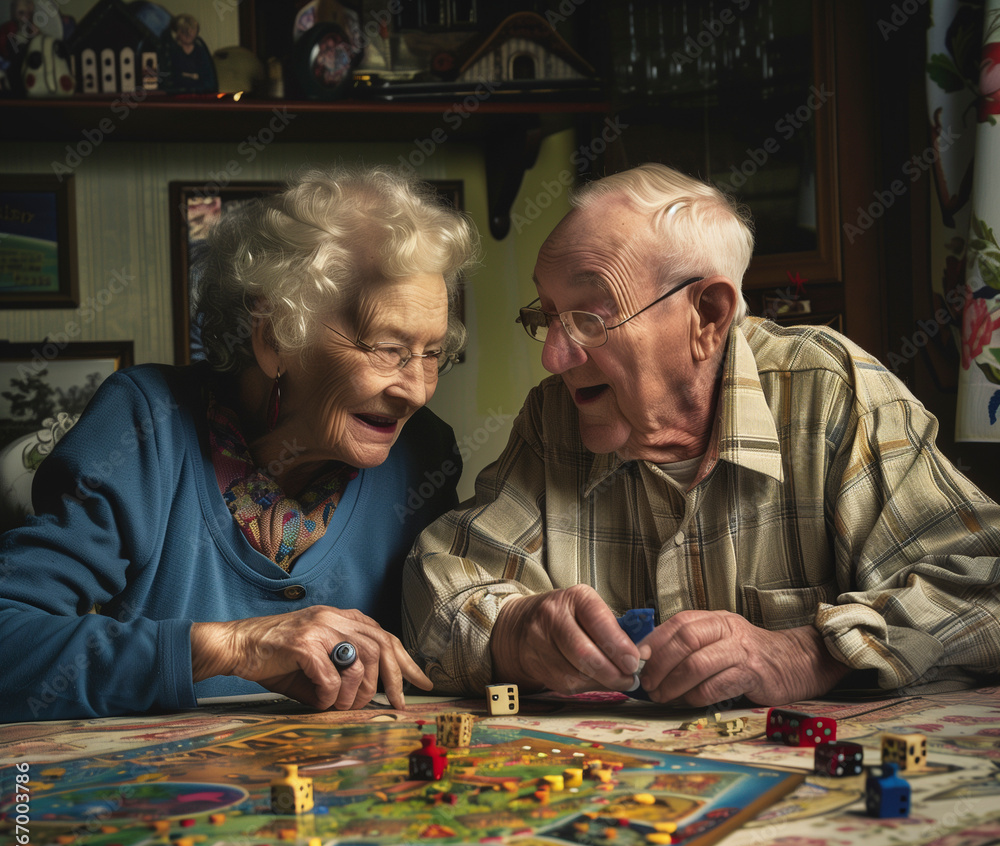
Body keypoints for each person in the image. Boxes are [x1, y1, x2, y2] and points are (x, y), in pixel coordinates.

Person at [403, 163, 1000, 707]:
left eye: (588, 318)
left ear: (708, 317)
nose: (554, 357)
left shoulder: (829, 392)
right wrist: (512, 634)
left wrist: (810, 652)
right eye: (548, 317)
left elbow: (983, 584)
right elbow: (435, 579)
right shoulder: (553, 419)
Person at [0, 164, 479, 722]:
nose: (417, 391)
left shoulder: (425, 453)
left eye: (432, 353)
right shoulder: (144, 425)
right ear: (276, 335)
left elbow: (443, 647)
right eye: (388, 349)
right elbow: (11, 643)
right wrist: (233, 646)